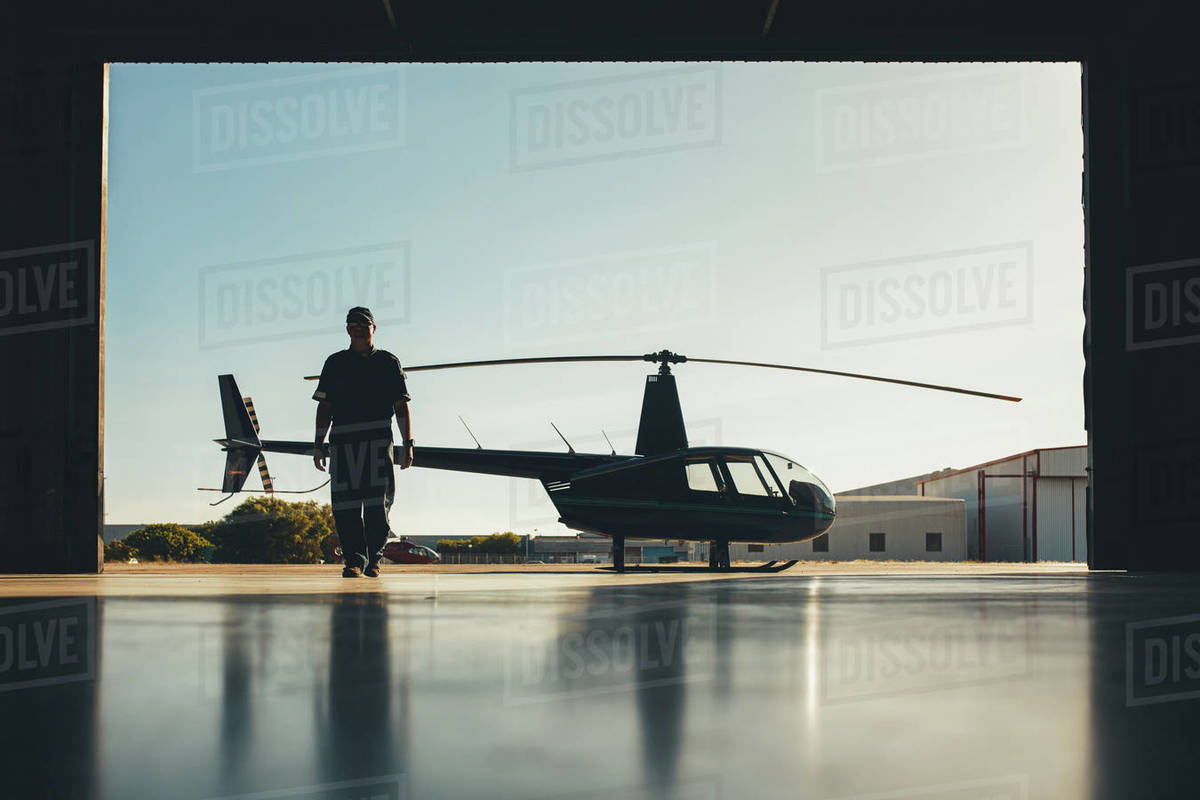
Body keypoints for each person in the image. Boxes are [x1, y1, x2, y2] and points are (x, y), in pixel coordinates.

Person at [312, 307, 414, 578]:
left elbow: (401, 406)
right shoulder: (335, 363)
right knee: (345, 505)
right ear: (347, 330)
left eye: (363, 324)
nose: (357, 328)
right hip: (343, 440)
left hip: (379, 442)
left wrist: (408, 443)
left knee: (377, 505)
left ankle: (374, 559)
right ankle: (353, 560)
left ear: (374, 328)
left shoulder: (389, 362)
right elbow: (325, 406)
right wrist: (318, 443)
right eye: (352, 324)